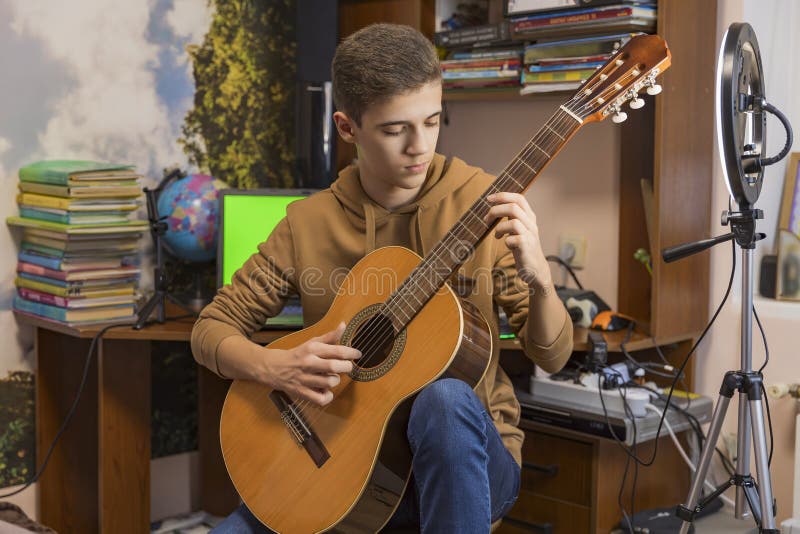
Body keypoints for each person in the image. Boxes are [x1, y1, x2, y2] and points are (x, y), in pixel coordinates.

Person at [191, 23, 573, 533]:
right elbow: (209, 330)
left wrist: (539, 279)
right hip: (337, 465)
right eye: (396, 130)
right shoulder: (308, 222)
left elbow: (553, 354)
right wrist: (272, 366)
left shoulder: (485, 203)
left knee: (444, 397)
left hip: (466, 469)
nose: (420, 146)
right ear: (347, 128)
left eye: (433, 122)